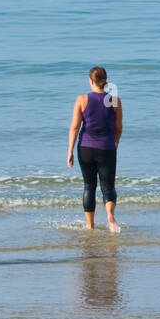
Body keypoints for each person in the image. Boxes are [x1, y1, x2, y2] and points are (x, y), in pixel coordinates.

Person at [67, 66, 122, 232]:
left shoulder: (82, 100)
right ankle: (110, 215)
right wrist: (115, 143)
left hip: (85, 148)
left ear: (91, 81)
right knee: (108, 186)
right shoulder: (115, 101)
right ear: (105, 81)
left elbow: (74, 127)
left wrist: (70, 151)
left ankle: (90, 226)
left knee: (89, 186)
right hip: (107, 148)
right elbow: (118, 127)